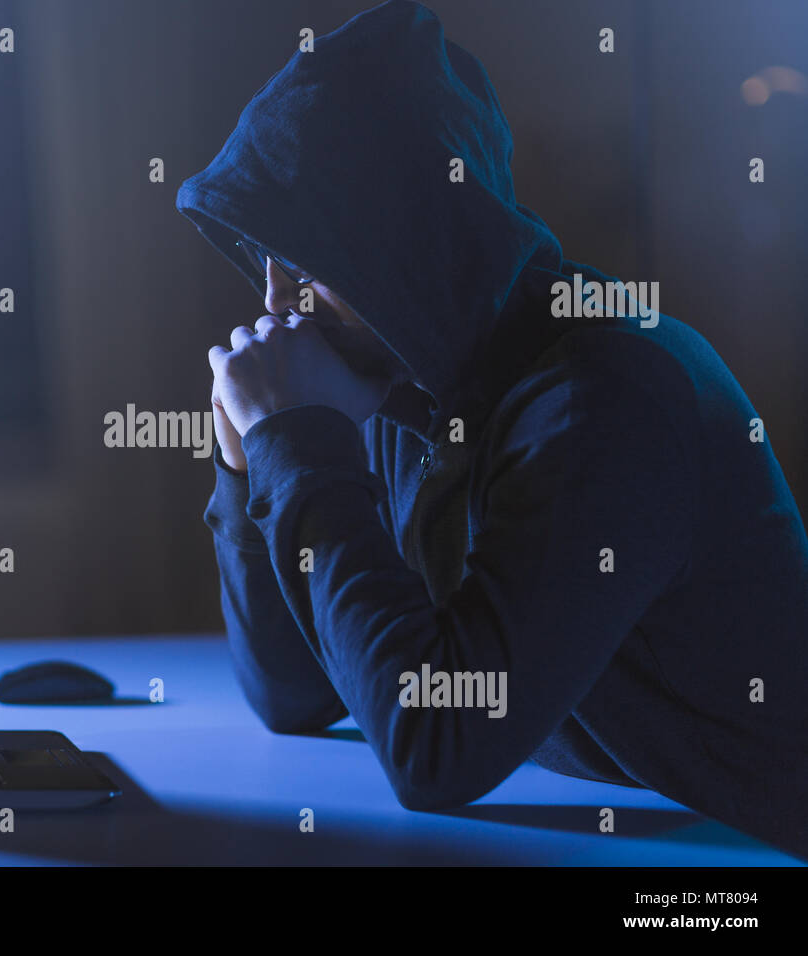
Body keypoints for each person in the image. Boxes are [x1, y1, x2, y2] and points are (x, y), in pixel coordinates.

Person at [175, 0, 808, 859]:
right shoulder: (407, 382)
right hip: (651, 842)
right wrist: (250, 463)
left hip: (753, 860)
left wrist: (301, 449)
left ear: (409, 245)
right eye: (266, 263)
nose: (276, 308)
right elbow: (294, 695)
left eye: (311, 268)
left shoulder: (601, 402)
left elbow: (435, 750)